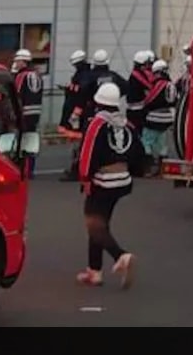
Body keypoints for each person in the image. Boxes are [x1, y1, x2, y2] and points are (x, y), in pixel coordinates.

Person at [76, 82, 137, 288]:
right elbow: (139, 152)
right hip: (122, 180)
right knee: (101, 224)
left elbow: (87, 152)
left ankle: (121, 256)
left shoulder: (97, 123)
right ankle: (94, 271)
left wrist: (84, 177)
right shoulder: (125, 123)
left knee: (93, 224)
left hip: (102, 181)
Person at [58, 50, 91, 182]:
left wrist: (75, 114)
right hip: (80, 114)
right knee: (79, 144)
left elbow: (80, 95)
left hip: (78, 115)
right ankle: (77, 169)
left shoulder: (83, 77)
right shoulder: (85, 75)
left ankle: (76, 170)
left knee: (78, 144)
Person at [140, 59, 177, 177]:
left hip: (154, 118)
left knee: (146, 141)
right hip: (167, 118)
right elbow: (173, 100)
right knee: (162, 143)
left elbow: (149, 101)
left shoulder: (157, 86)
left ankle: (149, 166)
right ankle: (162, 168)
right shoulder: (171, 85)